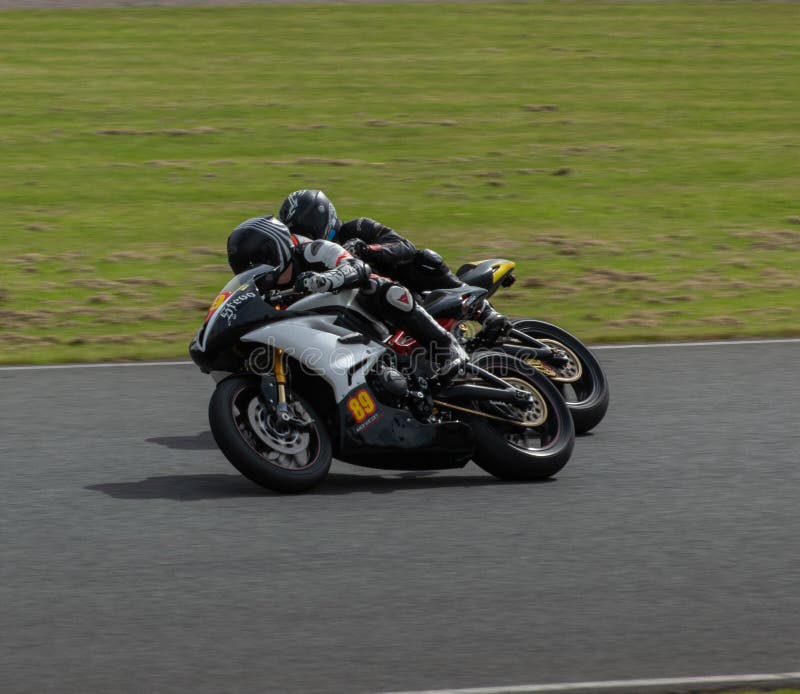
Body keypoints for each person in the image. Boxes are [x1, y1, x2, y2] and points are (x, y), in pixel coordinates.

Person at [226, 214, 467, 376]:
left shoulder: (313, 250)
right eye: (245, 267)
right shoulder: (264, 289)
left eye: (258, 261)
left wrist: (325, 280)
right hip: (323, 338)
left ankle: (447, 346)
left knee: (381, 288)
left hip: (363, 316)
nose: (255, 271)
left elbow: (355, 266)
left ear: (275, 249)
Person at [277, 189, 512, 341]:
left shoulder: (358, 228)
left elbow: (404, 246)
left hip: (408, 290)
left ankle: (486, 312)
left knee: (426, 258)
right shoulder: (309, 256)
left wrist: (366, 250)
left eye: (309, 229)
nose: (308, 237)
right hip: (375, 313)